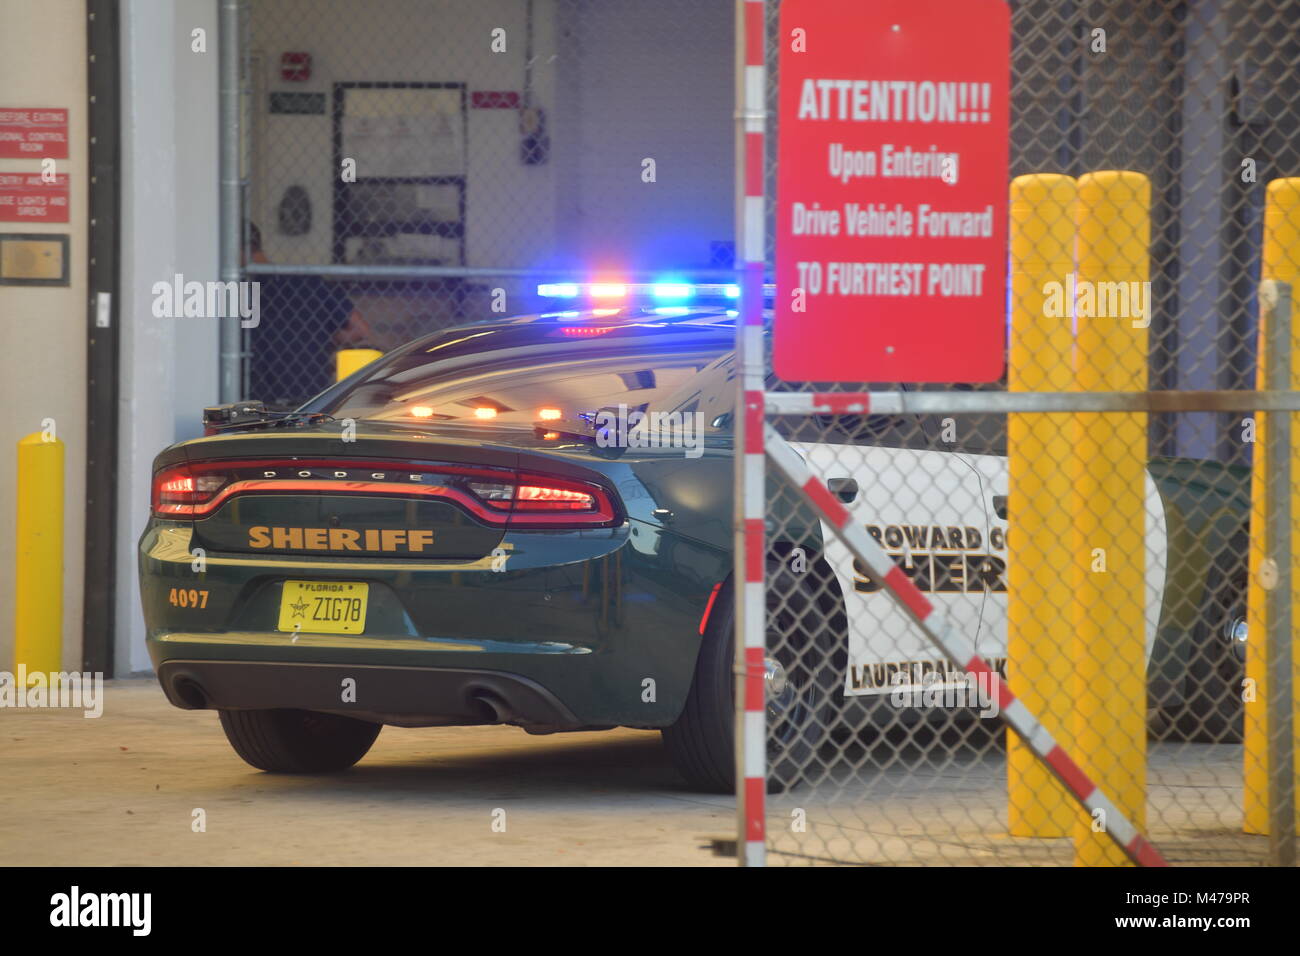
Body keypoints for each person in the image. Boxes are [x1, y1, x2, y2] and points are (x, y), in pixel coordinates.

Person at [244, 223, 362, 406]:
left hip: (254, 394)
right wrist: (318, 341)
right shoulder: (307, 280)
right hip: (310, 392)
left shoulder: (235, 288)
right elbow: (359, 328)